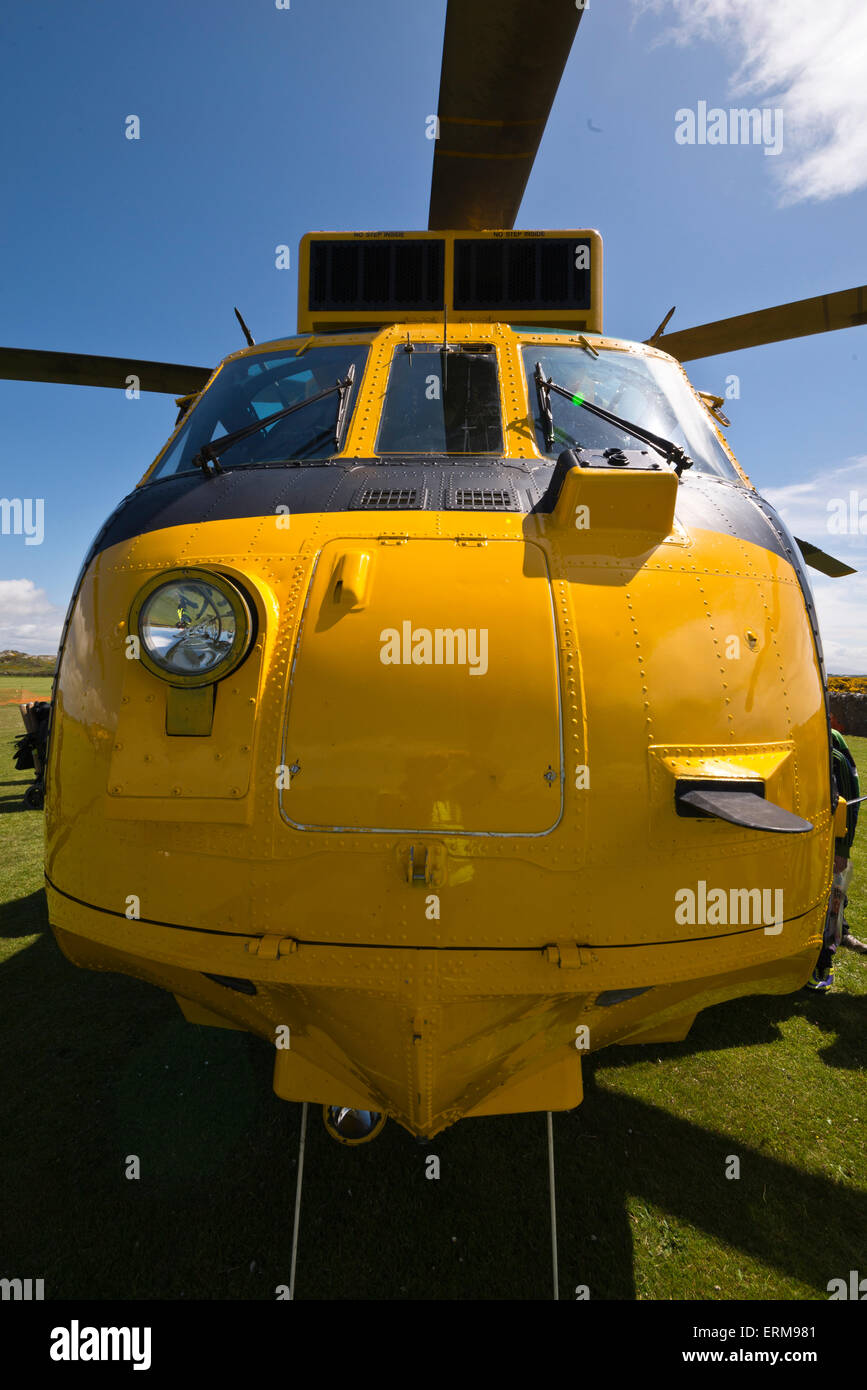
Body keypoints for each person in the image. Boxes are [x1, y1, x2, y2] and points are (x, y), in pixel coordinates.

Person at [806, 720, 861, 989]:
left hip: (827, 841)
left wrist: (842, 849)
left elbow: (849, 800)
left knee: (830, 900)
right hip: (802, 837)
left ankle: (822, 965)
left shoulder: (830, 743)